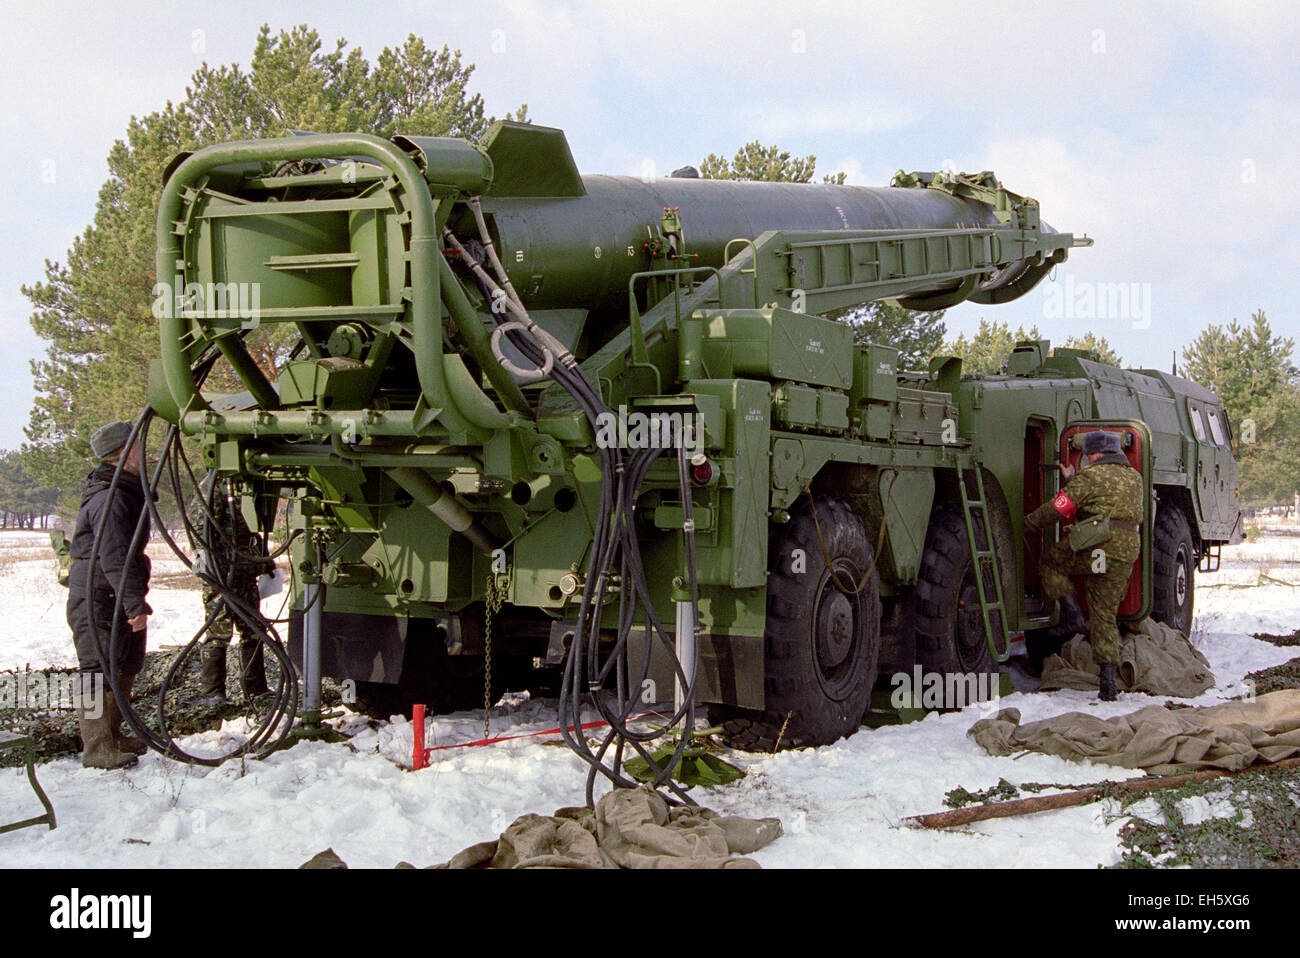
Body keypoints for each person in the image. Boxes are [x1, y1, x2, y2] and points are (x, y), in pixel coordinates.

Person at [1025, 430, 1143, 701]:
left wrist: (1028, 523)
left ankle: (1072, 616)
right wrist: (1074, 479)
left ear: (1097, 454)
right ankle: (1108, 683)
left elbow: (1060, 507)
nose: (1088, 458)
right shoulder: (1134, 477)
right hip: (1126, 551)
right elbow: (1105, 499)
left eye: (1089, 454)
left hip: (1097, 545)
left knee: (1050, 563)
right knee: (1104, 615)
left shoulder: (1091, 476)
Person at [66, 420, 151, 768]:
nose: (144, 452)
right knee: (97, 667)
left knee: (124, 662)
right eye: (137, 445)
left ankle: (113, 736)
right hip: (99, 593)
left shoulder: (122, 490)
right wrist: (133, 602)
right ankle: (98, 748)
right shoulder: (111, 497)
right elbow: (114, 556)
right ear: (124, 452)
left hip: (110, 591)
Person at [196, 478, 273, 706]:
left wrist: (263, 561)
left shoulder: (244, 485)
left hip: (244, 571)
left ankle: (255, 688)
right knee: (218, 631)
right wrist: (209, 573)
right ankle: (212, 692)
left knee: (253, 629)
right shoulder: (213, 487)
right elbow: (200, 533)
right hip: (221, 573)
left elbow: (250, 530)